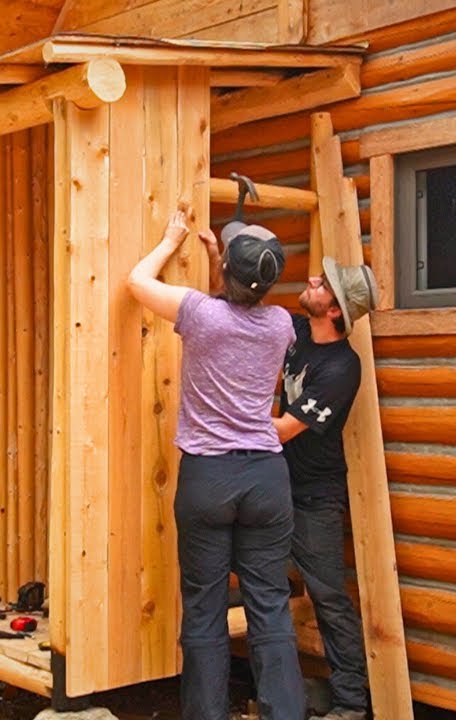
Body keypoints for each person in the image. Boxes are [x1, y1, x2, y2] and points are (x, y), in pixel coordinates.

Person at [128, 208, 305, 720]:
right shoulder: (281, 325)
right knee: (269, 605)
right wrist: (215, 257)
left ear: (227, 273)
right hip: (267, 478)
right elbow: (234, 305)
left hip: (209, 477)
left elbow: (136, 282)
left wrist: (170, 240)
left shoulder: (199, 314)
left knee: (204, 607)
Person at [273, 258, 376, 720]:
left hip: (314, 497)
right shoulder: (295, 330)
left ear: (334, 311)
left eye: (323, 284)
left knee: (329, 597)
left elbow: (282, 431)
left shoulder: (341, 367)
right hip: (275, 485)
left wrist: (222, 408)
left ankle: (352, 705)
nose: (312, 280)